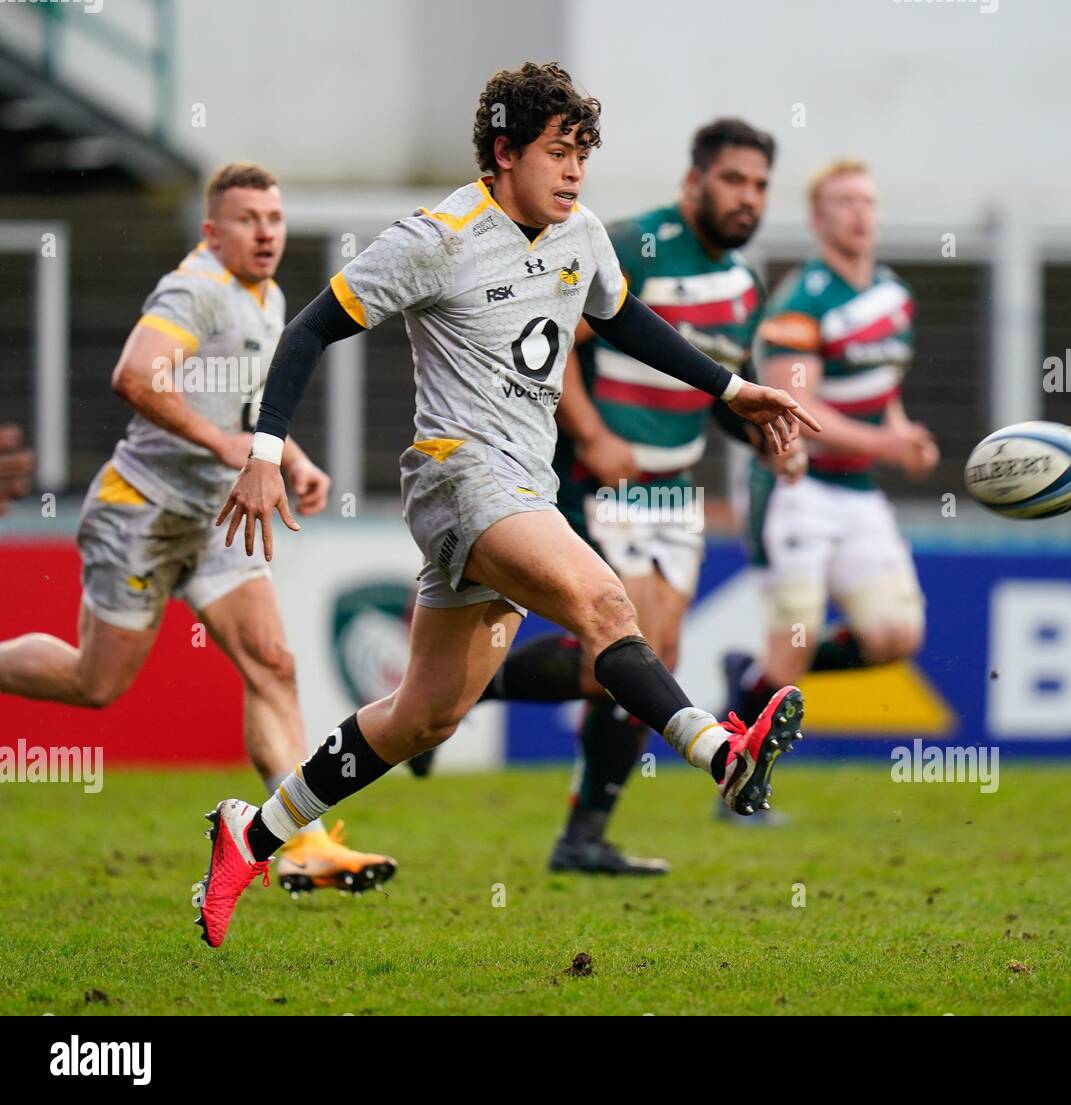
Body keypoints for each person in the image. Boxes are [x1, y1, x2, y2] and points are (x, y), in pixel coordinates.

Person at [195, 63, 817, 948]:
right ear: (503, 153)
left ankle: (247, 837)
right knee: (608, 603)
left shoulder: (581, 233)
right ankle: (724, 754)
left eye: (582, 156)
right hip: (458, 478)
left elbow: (624, 315)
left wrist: (732, 387)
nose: (573, 172)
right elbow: (309, 330)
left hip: (527, 484)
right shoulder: (438, 235)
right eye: (558, 153)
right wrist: (263, 451)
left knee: (424, 715)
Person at [0, 163, 396, 898]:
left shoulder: (268, 295)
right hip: (142, 510)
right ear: (213, 230)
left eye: (274, 218)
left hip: (215, 515)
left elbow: (242, 407)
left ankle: (301, 842)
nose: (267, 232)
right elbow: (135, 373)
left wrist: (288, 455)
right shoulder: (197, 288)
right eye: (248, 219)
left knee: (272, 663)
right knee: (96, 682)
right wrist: (225, 450)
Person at [410, 118, 781, 873]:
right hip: (599, 481)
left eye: (761, 185)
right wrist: (591, 432)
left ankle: (569, 813)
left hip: (672, 490)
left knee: (640, 657)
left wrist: (763, 433)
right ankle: (485, 726)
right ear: (694, 181)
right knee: (622, 644)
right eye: (734, 179)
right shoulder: (635, 244)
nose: (749, 198)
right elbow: (550, 339)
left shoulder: (747, 284)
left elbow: (709, 387)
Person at [724, 160, 938, 731]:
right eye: (843, 202)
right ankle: (739, 783)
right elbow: (802, 408)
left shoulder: (895, 296)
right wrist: (886, 446)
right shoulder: (803, 300)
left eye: (867, 200)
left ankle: (753, 678)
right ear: (818, 220)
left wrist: (903, 433)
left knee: (896, 634)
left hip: (858, 492)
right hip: (798, 489)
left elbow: (879, 388)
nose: (859, 212)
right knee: (793, 639)